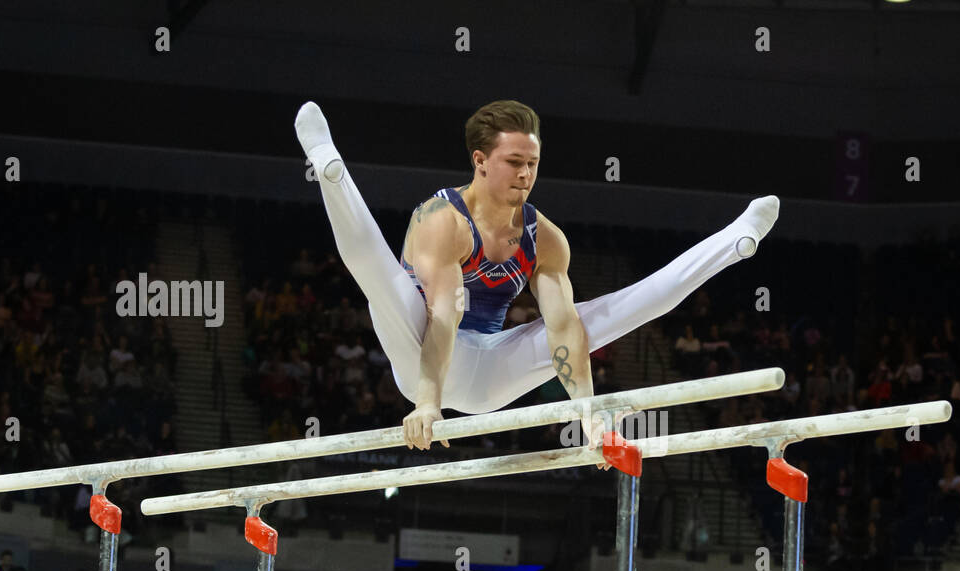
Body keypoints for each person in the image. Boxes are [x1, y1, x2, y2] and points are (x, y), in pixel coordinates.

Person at [294, 100, 779, 445]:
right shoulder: (440, 220)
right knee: (383, 281)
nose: (525, 174)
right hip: (424, 357)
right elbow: (442, 317)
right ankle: (331, 169)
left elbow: (562, 329)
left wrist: (585, 412)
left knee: (610, 313)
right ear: (480, 161)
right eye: (513, 163)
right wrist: (426, 403)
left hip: (491, 375)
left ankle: (731, 244)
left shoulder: (544, 237)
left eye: (533, 163)